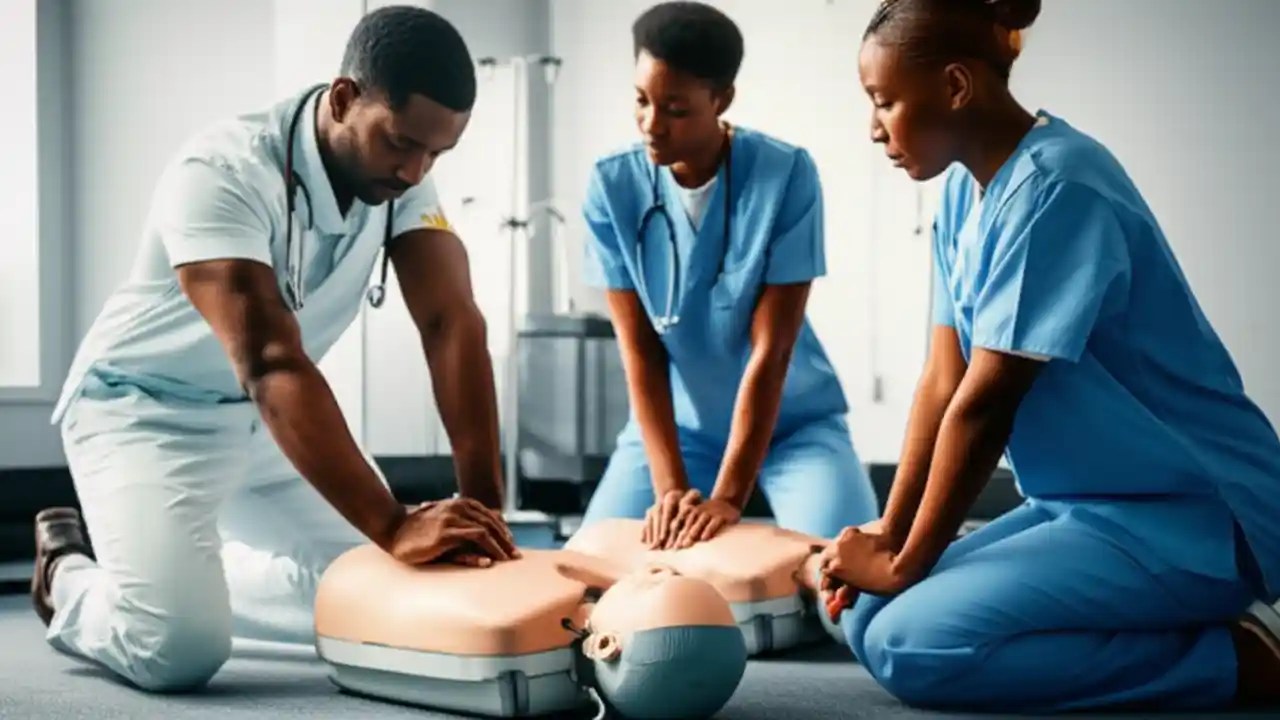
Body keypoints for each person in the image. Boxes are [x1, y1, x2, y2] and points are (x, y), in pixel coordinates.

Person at [30, 6, 521, 693]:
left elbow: (451, 322)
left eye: (437, 154)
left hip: (265, 424)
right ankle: (70, 576)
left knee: (392, 591)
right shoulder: (223, 169)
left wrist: (485, 509)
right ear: (345, 98)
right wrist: (389, 521)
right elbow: (268, 360)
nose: (415, 172)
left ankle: (188, 575)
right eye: (403, 144)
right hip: (145, 412)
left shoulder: (403, 180)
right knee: (177, 648)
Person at [817, 0, 1280, 712]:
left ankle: (1236, 658)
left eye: (884, 102)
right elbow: (942, 382)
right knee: (865, 616)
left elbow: (987, 401)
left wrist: (906, 563)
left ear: (956, 86)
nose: (873, 129)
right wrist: (889, 532)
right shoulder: (960, 198)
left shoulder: (1059, 184)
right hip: (1085, 505)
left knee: (913, 644)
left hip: (1196, 517)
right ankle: (1196, 631)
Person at [576, 1, 879, 550]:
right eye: (641, 101)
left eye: (675, 108)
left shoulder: (784, 175)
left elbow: (773, 350)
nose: (651, 123)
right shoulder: (612, 185)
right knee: (591, 566)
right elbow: (640, 351)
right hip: (678, 431)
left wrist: (729, 499)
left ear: (721, 100)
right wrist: (672, 493)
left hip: (794, 427)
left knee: (848, 569)